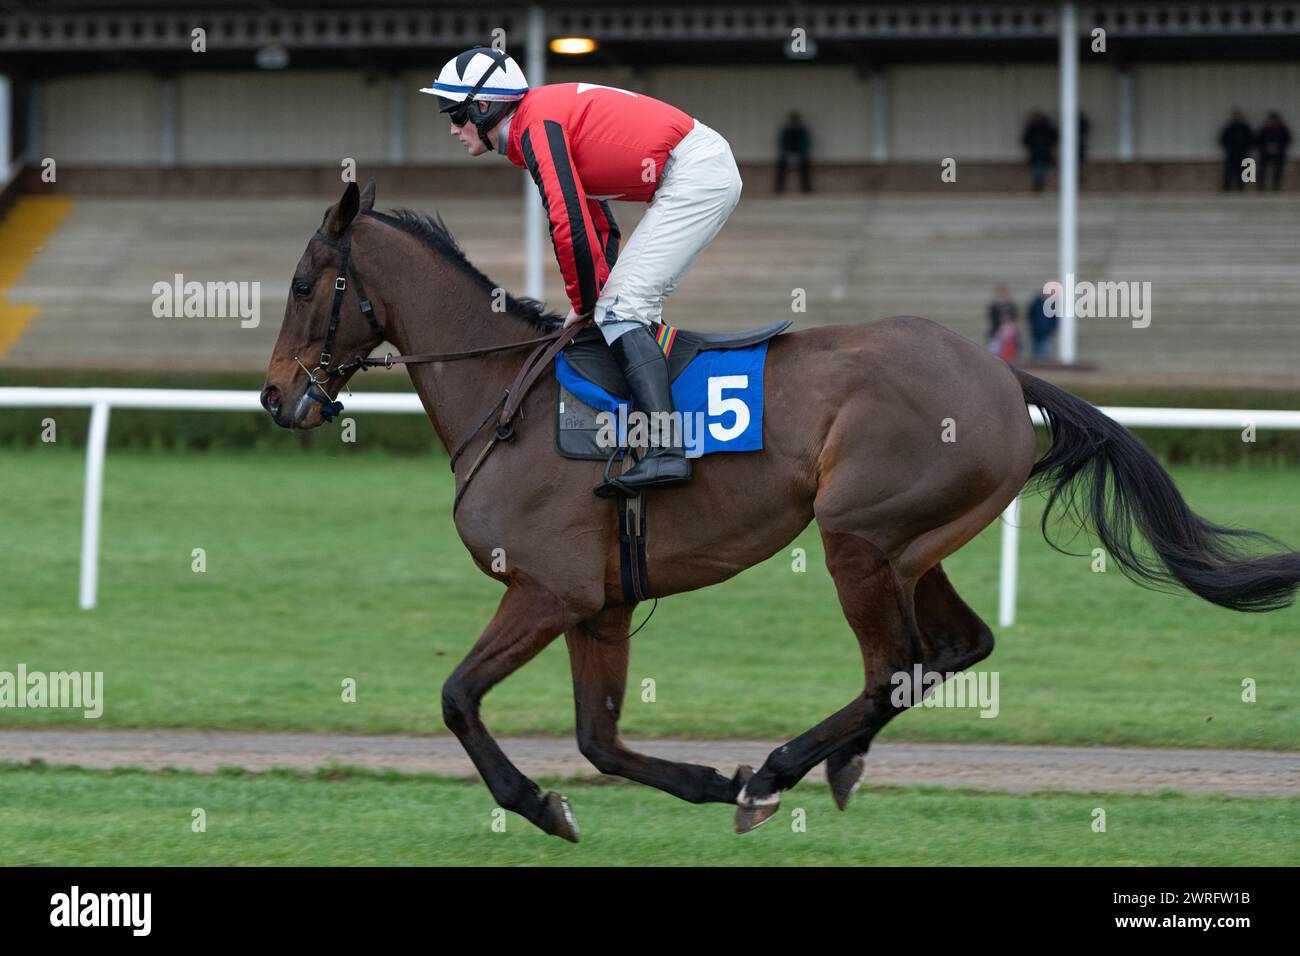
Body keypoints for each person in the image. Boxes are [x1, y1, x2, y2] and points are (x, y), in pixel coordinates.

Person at [421, 48, 743, 494]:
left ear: (484, 106)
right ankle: (653, 435)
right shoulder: (539, 121)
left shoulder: (536, 125)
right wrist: (591, 302)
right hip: (696, 169)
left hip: (695, 173)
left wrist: (585, 303)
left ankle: (667, 451)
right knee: (620, 307)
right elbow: (597, 221)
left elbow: (567, 221)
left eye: (455, 113)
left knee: (622, 309)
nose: (453, 128)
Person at [775, 111, 812, 193]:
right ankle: (778, 189)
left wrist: (800, 155)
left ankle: (806, 189)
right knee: (780, 168)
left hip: (801, 156)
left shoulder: (803, 131)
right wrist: (787, 155)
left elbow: (806, 145)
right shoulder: (786, 131)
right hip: (787, 155)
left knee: (805, 168)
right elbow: (782, 144)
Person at [1022, 111, 1058, 192]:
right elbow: (1026, 140)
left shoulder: (1048, 128)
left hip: (1045, 153)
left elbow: (1054, 138)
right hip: (1035, 154)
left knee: (1044, 169)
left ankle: (1042, 184)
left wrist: (1047, 146)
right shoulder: (1031, 128)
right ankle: (1037, 184)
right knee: (1036, 169)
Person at [1219, 110, 1254, 191]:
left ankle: (1240, 187)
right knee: (1228, 172)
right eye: (1235, 117)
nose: (1237, 118)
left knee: (1242, 172)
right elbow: (1223, 139)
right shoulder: (1229, 128)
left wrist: (1245, 148)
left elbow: (1251, 140)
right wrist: (1229, 148)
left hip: (1242, 153)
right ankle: (1226, 188)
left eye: (1238, 117)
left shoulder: (1245, 128)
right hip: (1231, 153)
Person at [1256, 111, 1291, 191]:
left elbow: (1287, 140)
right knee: (1262, 170)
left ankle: (1276, 187)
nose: (1273, 122)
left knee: (1277, 171)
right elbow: (1258, 140)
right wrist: (1264, 148)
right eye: (1272, 120)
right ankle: (1260, 187)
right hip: (1265, 154)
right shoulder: (1264, 129)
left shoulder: (1283, 129)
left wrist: (1279, 148)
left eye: (1275, 120)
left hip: (1278, 154)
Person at [1026, 287, 1057, 362]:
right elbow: (1030, 315)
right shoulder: (1036, 303)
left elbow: (1054, 319)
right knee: (1035, 351)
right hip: (1036, 331)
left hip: (1046, 332)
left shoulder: (1052, 305)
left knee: (1046, 352)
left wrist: (1051, 329)